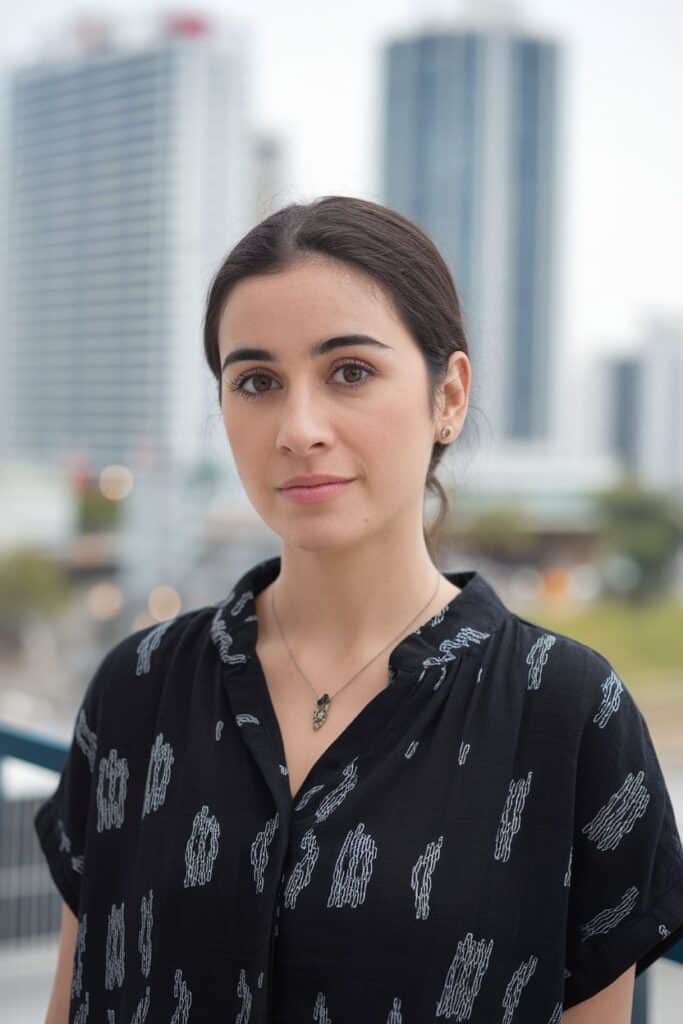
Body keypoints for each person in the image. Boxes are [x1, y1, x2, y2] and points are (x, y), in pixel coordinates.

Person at [36, 196, 683, 1023]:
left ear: (447, 395)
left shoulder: (562, 710)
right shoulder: (139, 686)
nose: (298, 428)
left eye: (349, 372)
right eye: (257, 382)